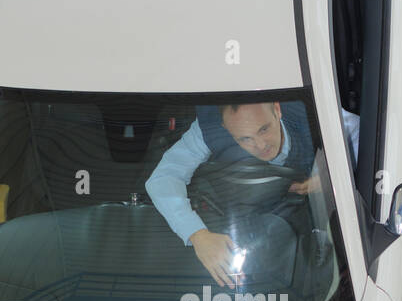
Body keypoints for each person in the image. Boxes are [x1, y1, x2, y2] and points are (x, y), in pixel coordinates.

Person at [145, 100, 359, 288]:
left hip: (315, 232)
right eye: (244, 138)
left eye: (264, 129)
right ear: (226, 128)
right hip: (247, 238)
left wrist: (333, 174)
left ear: (277, 109)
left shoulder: (315, 111)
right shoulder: (207, 128)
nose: (260, 145)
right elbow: (163, 178)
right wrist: (197, 235)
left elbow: (364, 136)